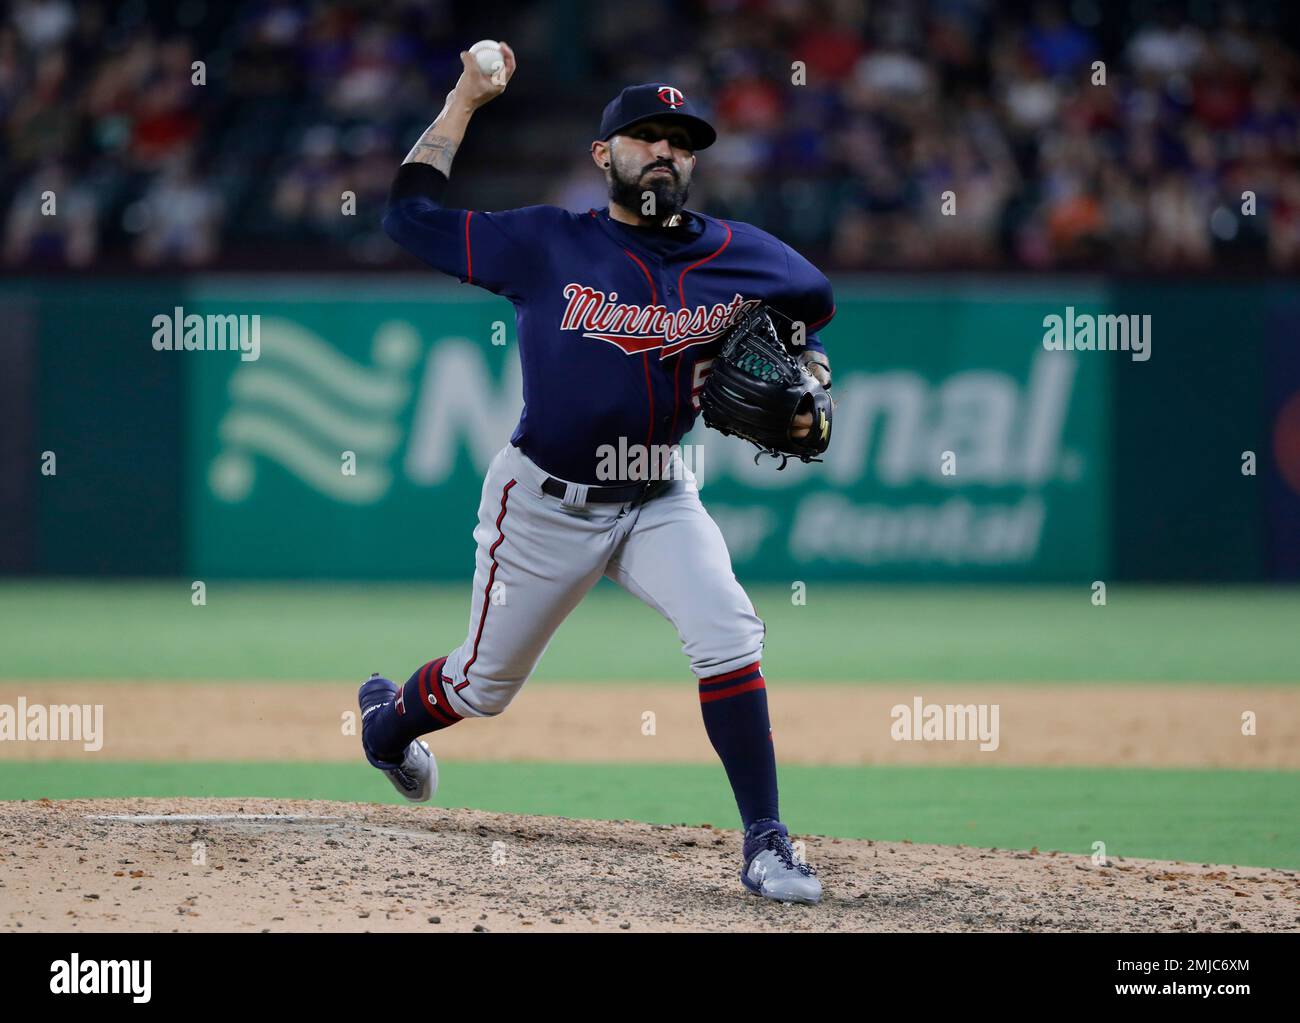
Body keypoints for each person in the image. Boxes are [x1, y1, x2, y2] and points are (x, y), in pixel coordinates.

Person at [362, 42, 834, 904]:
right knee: (480, 686)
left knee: (728, 631)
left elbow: (812, 305)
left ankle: (767, 843)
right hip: (544, 501)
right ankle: (387, 725)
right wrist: (466, 99)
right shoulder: (547, 243)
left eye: (680, 141)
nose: (664, 151)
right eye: (646, 136)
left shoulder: (742, 254)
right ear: (603, 156)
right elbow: (410, 217)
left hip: (658, 493)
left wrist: (814, 362)